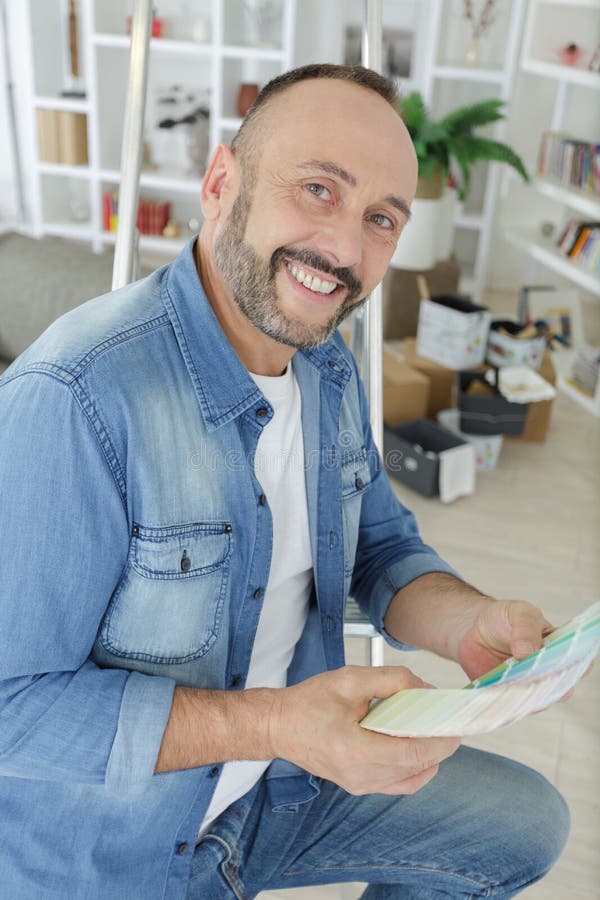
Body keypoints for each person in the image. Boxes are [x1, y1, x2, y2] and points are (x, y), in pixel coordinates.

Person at [0, 64, 570, 900]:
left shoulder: (325, 363)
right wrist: (277, 722)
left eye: (380, 218)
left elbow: (378, 547)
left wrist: (469, 623)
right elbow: (13, 705)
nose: (344, 250)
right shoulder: (77, 397)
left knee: (522, 824)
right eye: (317, 190)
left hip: (278, 787)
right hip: (115, 857)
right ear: (223, 184)